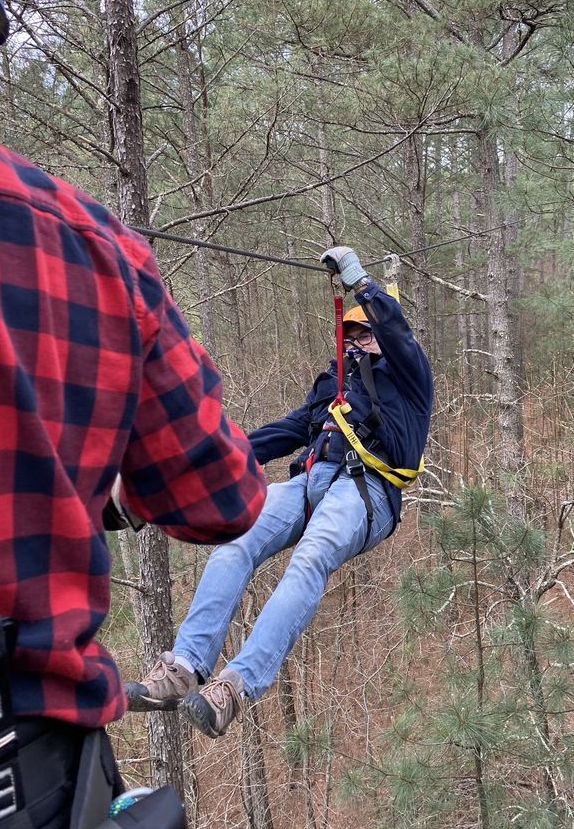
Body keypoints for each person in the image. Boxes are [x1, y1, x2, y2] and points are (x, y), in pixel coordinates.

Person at [0, 0, 267, 828]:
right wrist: (101, 489)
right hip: (31, 765)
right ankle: (196, 669)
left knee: (310, 547)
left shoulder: (388, 363)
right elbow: (227, 497)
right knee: (253, 539)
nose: (363, 341)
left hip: (364, 485)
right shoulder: (88, 243)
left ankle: (227, 675)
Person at [126, 247, 433, 738]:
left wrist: (358, 281)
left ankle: (237, 685)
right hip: (311, 480)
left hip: (367, 493)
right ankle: (184, 667)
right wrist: (207, 460)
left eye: (367, 334)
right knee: (236, 539)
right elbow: (287, 431)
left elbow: (395, 332)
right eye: (351, 334)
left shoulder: (410, 380)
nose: (358, 342)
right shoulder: (333, 385)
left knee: (310, 558)